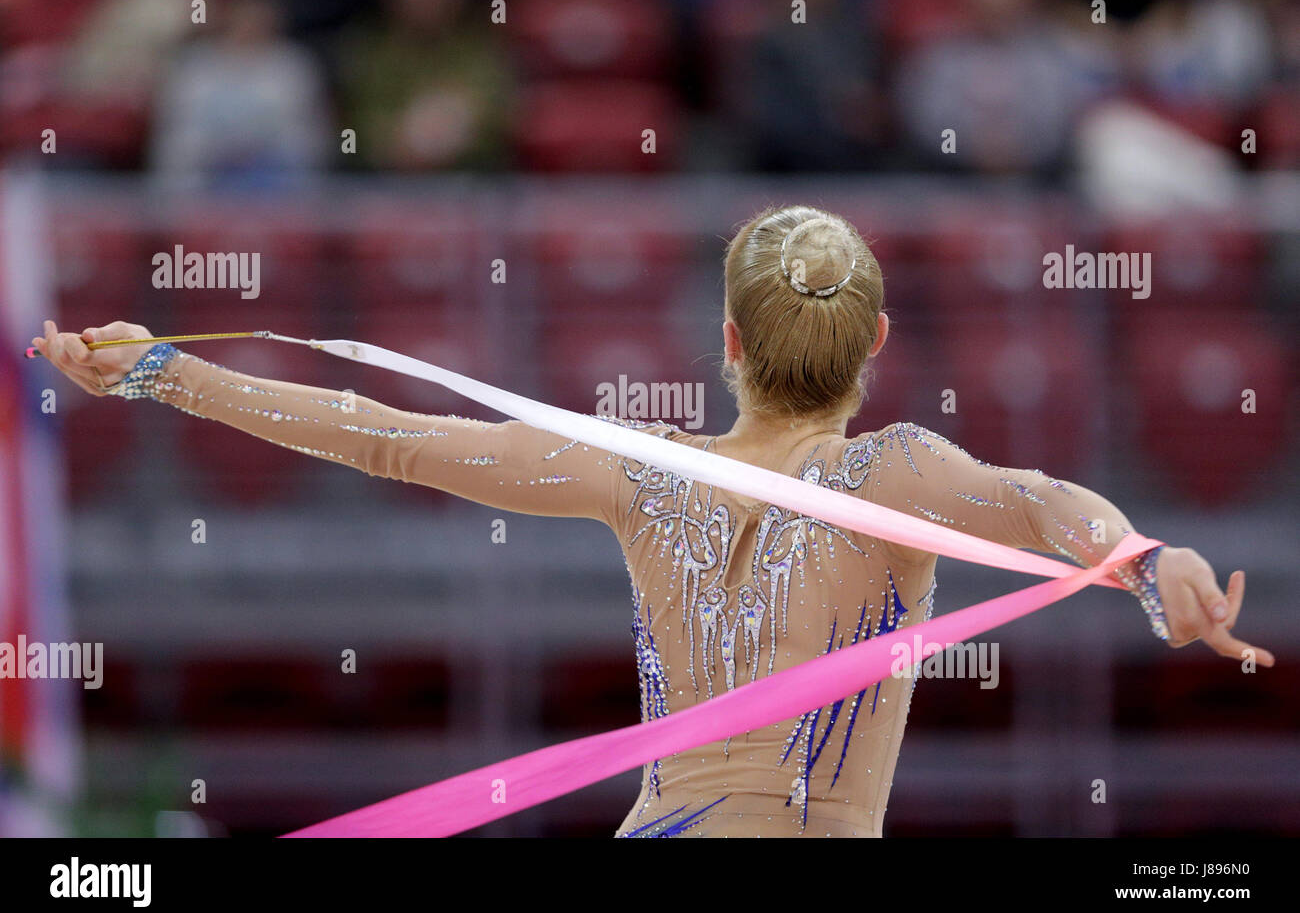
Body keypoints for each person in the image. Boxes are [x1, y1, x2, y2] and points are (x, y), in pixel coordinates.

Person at [31, 205, 1271, 837]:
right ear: (878, 344)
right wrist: (1145, 559)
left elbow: (380, 432)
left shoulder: (641, 470)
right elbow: (1037, 499)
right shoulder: (890, 471)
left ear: (726, 342)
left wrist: (159, 370)